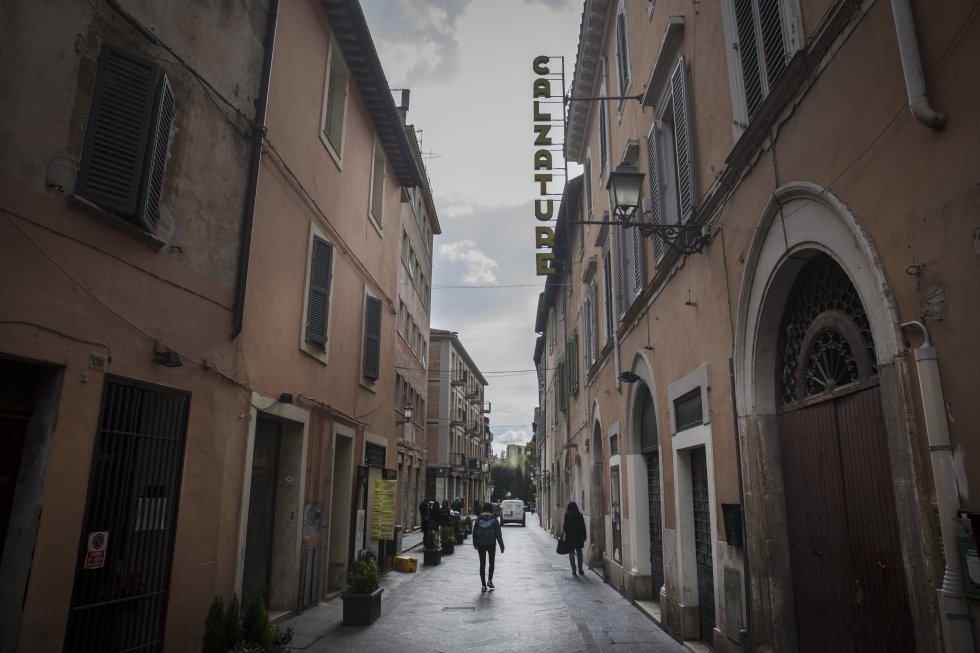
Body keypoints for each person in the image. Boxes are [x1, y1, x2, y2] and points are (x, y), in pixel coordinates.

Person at [472, 501, 504, 592]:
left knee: (482, 564)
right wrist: (501, 545)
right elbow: (498, 534)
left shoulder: (478, 520)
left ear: (483, 509)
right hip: (491, 544)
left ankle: (483, 585)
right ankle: (490, 580)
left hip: (481, 544)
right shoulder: (494, 520)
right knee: (491, 562)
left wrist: (475, 543)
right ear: (491, 509)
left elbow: (474, 532)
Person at [563, 501, 587, 576]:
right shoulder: (579, 515)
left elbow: (565, 527)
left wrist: (568, 533)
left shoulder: (567, 515)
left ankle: (573, 568)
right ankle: (580, 569)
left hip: (570, 537)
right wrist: (584, 537)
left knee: (571, 553)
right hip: (578, 537)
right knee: (579, 552)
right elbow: (583, 527)